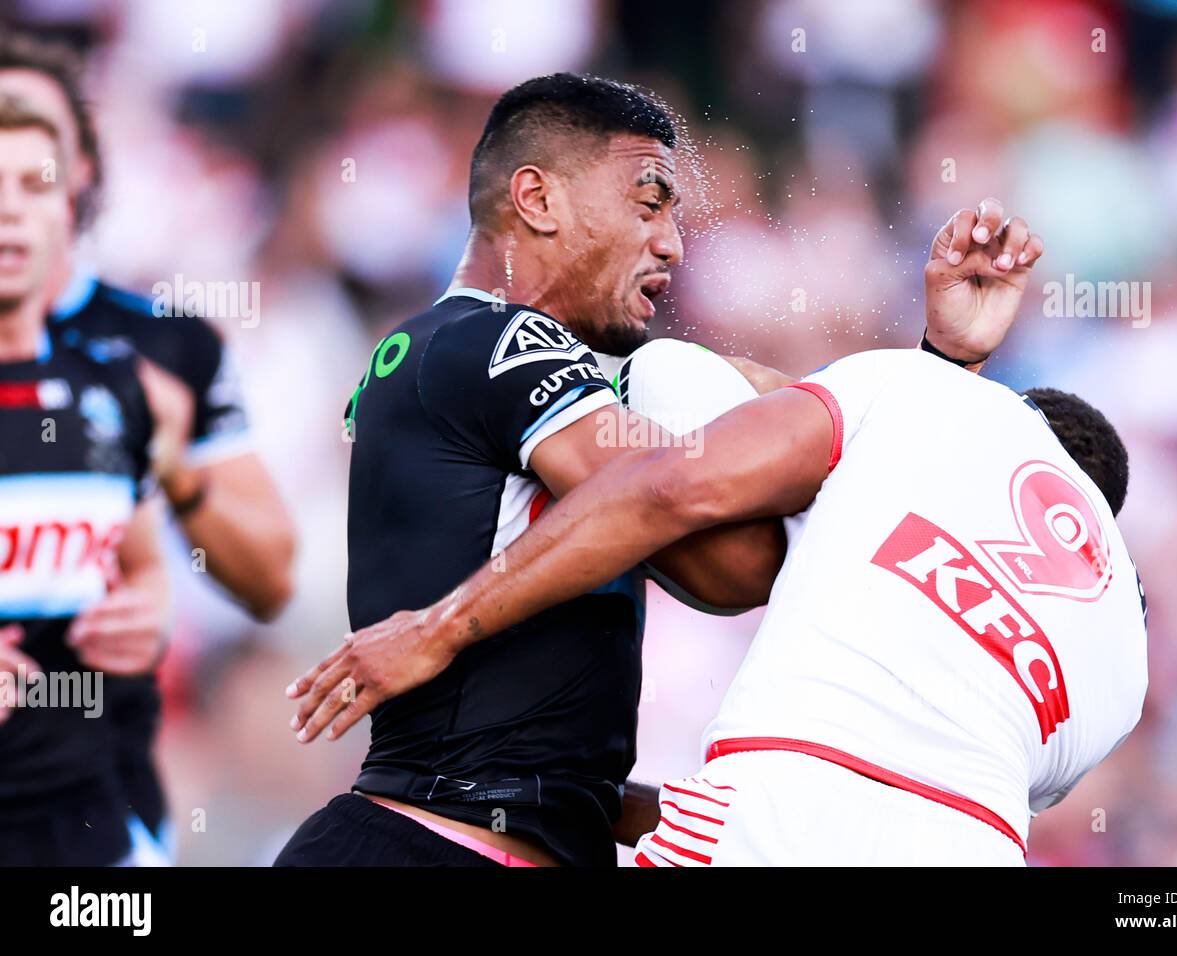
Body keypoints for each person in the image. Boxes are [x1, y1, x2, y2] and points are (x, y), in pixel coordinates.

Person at [283, 70, 1046, 867]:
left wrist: (942, 368)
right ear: (539, 201)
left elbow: (536, 776)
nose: (673, 243)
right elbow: (725, 555)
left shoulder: (474, 360)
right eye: (648, 206)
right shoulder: (500, 345)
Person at [307, 345, 1148, 865]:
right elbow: (909, 799)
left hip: (766, 815)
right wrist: (593, 801)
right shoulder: (1125, 665)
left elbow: (672, 489)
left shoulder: (939, 409)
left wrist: (440, 626)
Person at [0, 31, 297, 861]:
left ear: (80, 176)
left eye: (37, 169)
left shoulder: (155, 352)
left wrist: (170, 484)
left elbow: (267, 579)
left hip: (95, 807)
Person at [0, 94, 176, 866]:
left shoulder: (113, 388)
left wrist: (150, 615)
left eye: (34, 186)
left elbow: (143, 567)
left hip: (89, 828)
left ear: (69, 209)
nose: (9, 212)